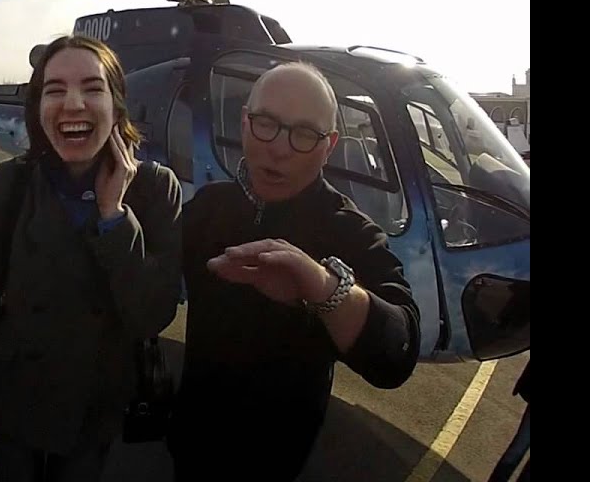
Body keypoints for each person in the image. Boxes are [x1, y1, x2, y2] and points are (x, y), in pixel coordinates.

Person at [168, 61, 421, 482]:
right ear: (245, 122)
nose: (280, 148)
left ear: (330, 145)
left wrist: (324, 288)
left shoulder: (350, 231)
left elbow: (397, 354)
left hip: (272, 462)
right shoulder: (209, 209)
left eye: (305, 134)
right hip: (190, 444)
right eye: (266, 123)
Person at [0, 35, 184, 482]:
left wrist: (114, 215)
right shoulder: (11, 184)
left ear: (117, 107)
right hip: (14, 399)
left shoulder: (156, 190)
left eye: (93, 88)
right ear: (39, 110)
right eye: (54, 90)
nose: (73, 103)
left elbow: (151, 314)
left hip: (93, 408)